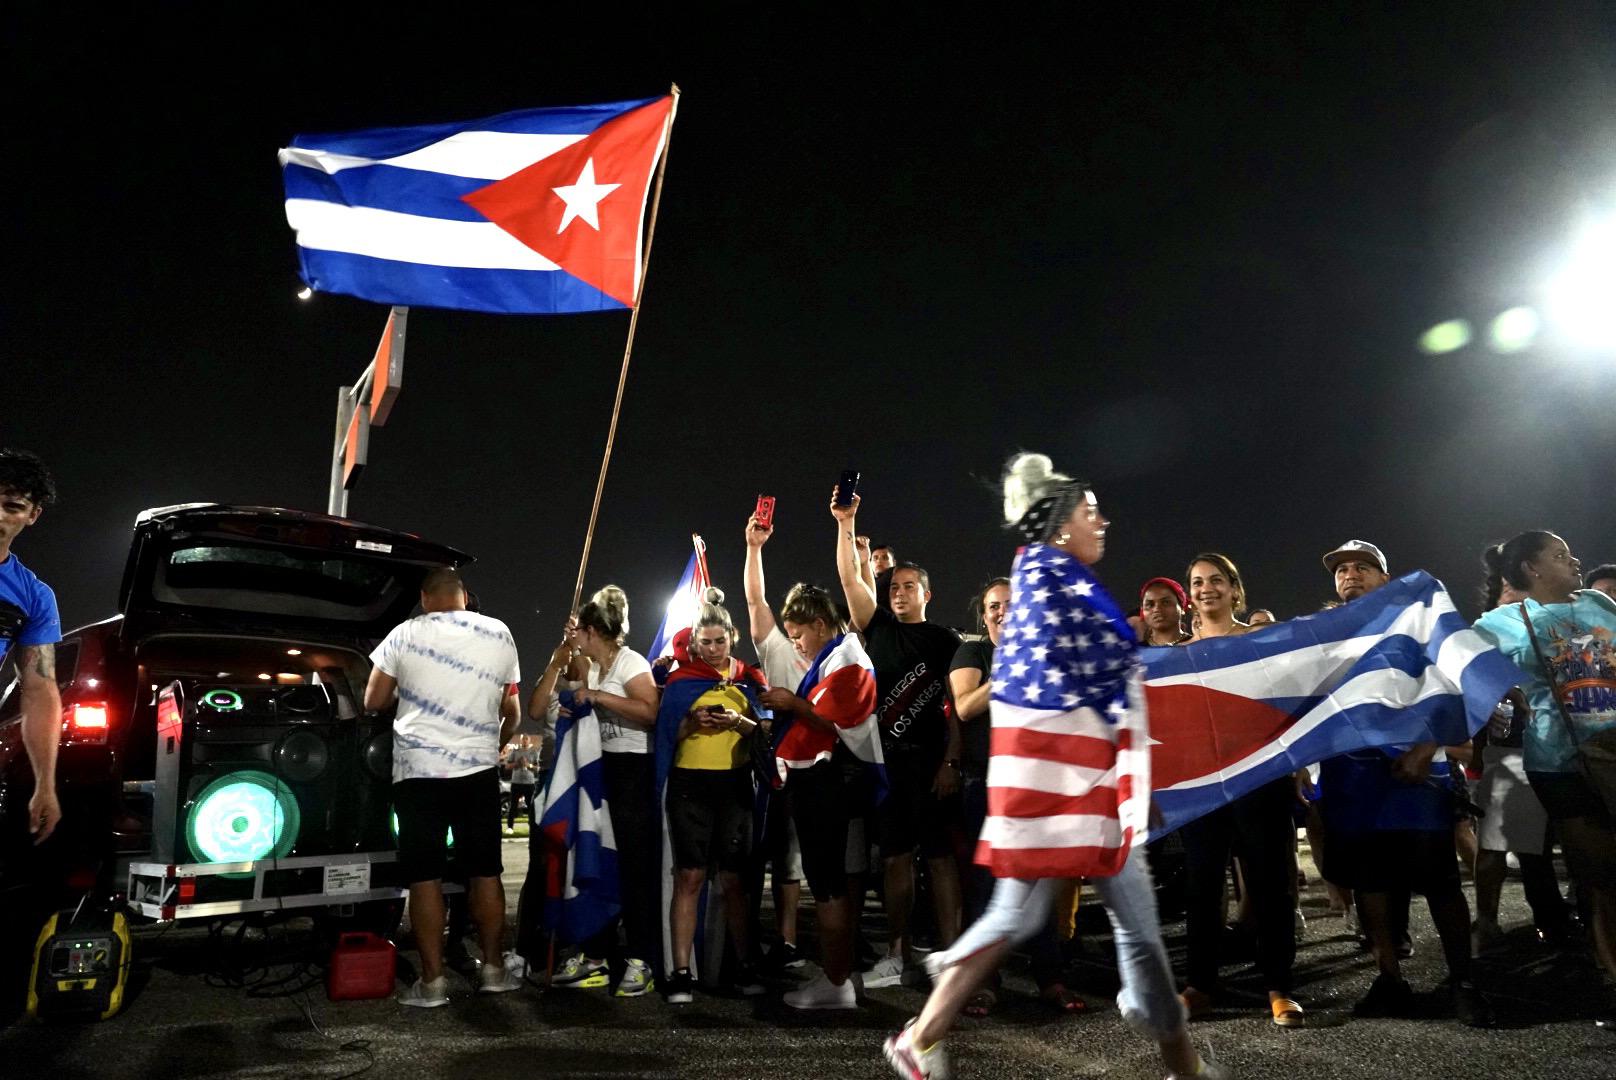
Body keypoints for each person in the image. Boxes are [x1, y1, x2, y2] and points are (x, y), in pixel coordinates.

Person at [883, 452, 1222, 1080]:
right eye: (1093, 511)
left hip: (1075, 787)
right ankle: (1181, 1061)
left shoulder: (1052, 582)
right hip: (1070, 789)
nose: (1104, 521)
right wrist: (1121, 765)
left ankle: (1179, 1059)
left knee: (1073, 919)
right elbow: (1061, 686)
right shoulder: (1051, 586)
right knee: (1093, 924)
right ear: (1062, 522)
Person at [1308, 540, 1490, 1025]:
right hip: (1354, 781)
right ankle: (1389, 977)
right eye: (1342, 568)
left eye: (1362, 567)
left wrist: (1427, 748)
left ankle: (1464, 981)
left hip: (1414, 776)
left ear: (1384, 578)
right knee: (1372, 886)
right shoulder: (1322, 636)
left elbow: (1448, 685)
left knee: (1440, 883)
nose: (1350, 574)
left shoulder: (1416, 626)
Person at [365, 567, 523, 1006]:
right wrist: (493, 744)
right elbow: (510, 710)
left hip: (419, 772)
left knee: (425, 877)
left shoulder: (404, 633)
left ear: (424, 597)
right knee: (485, 871)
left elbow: (373, 700)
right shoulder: (499, 633)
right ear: (466, 596)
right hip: (476, 769)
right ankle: (493, 969)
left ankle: (432, 983)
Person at [1473, 531, 1616, 1014]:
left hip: (1615, 754)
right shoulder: (1500, 622)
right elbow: (1455, 668)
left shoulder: (1598, 602)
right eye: (1559, 555)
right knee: (1598, 873)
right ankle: (1610, 971)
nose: (1573, 559)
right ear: (1532, 570)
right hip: (1559, 762)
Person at [833, 490, 962, 989]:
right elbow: (849, 576)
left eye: (910, 586)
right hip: (888, 767)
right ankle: (896, 951)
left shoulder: (946, 642)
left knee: (941, 858)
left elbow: (954, 706)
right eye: (895, 586)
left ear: (927, 594)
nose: (899, 592)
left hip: (932, 765)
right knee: (894, 859)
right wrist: (847, 522)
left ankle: (952, 954)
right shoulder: (878, 628)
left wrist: (951, 761)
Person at [1178, 552, 1302, 1026]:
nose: (1206, 588)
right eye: (1198, 582)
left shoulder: (1259, 640)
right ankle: (1199, 985)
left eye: (1215, 580)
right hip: (1203, 785)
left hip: (1259, 778)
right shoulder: (1177, 655)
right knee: (1201, 887)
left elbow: (1285, 701)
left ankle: (1278, 986)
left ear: (1234, 588)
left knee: (1270, 883)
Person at [948, 577, 1082, 1017]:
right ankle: (984, 983)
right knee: (986, 889)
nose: (1002, 612)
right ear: (983, 615)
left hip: (1034, 787)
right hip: (985, 787)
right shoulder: (974, 654)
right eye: (993, 606)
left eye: (1010, 604)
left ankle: (1051, 980)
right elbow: (965, 707)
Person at [762, 583, 884, 1009]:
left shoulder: (847, 658)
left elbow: (840, 719)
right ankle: (839, 974)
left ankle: (835, 983)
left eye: (798, 633)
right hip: (830, 784)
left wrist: (791, 704)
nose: (795, 643)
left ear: (819, 624)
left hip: (828, 785)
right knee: (835, 882)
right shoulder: (839, 655)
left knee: (828, 883)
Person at [536, 586, 661, 997]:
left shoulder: (629, 662)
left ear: (592, 631)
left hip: (632, 772)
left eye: (581, 635)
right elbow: (555, 700)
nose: (578, 641)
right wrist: (578, 697)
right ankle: (597, 954)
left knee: (635, 869)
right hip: (602, 770)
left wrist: (600, 696)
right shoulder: (592, 667)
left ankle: (640, 959)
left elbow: (648, 711)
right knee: (600, 862)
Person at [654, 589, 769, 1003]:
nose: (715, 650)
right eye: (706, 643)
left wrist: (740, 722)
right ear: (694, 642)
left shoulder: (750, 678)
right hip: (689, 786)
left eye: (721, 641)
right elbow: (665, 737)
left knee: (735, 881)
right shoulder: (682, 680)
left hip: (735, 787)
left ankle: (743, 965)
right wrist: (692, 722)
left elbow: (768, 734)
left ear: (733, 636)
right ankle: (681, 972)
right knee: (690, 876)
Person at [742, 511, 809, 969]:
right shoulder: (781, 649)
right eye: (793, 622)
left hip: (819, 768)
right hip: (776, 766)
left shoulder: (845, 655)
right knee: (762, 856)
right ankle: (746, 938)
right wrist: (754, 549)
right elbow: (755, 602)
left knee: (796, 864)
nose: (798, 630)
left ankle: (789, 940)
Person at [0, 449, 62, 845]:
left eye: (12, 505)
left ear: (32, 514)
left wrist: (45, 784)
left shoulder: (34, 596)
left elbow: (39, 691)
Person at [1139, 577, 1192, 647]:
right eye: (1150, 604)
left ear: (1182, 607)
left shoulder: (1199, 646)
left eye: (1165, 602)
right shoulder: (1135, 653)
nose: (1156, 609)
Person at [504, 738, 537, 834]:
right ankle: (510, 827)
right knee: (513, 806)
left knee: (531, 806)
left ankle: (533, 828)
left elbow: (538, 768)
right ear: (521, 741)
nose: (525, 741)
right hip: (516, 782)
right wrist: (517, 763)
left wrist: (528, 765)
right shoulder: (515, 752)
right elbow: (507, 766)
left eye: (526, 739)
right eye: (523, 739)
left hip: (529, 783)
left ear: (529, 741)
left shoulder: (534, 752)